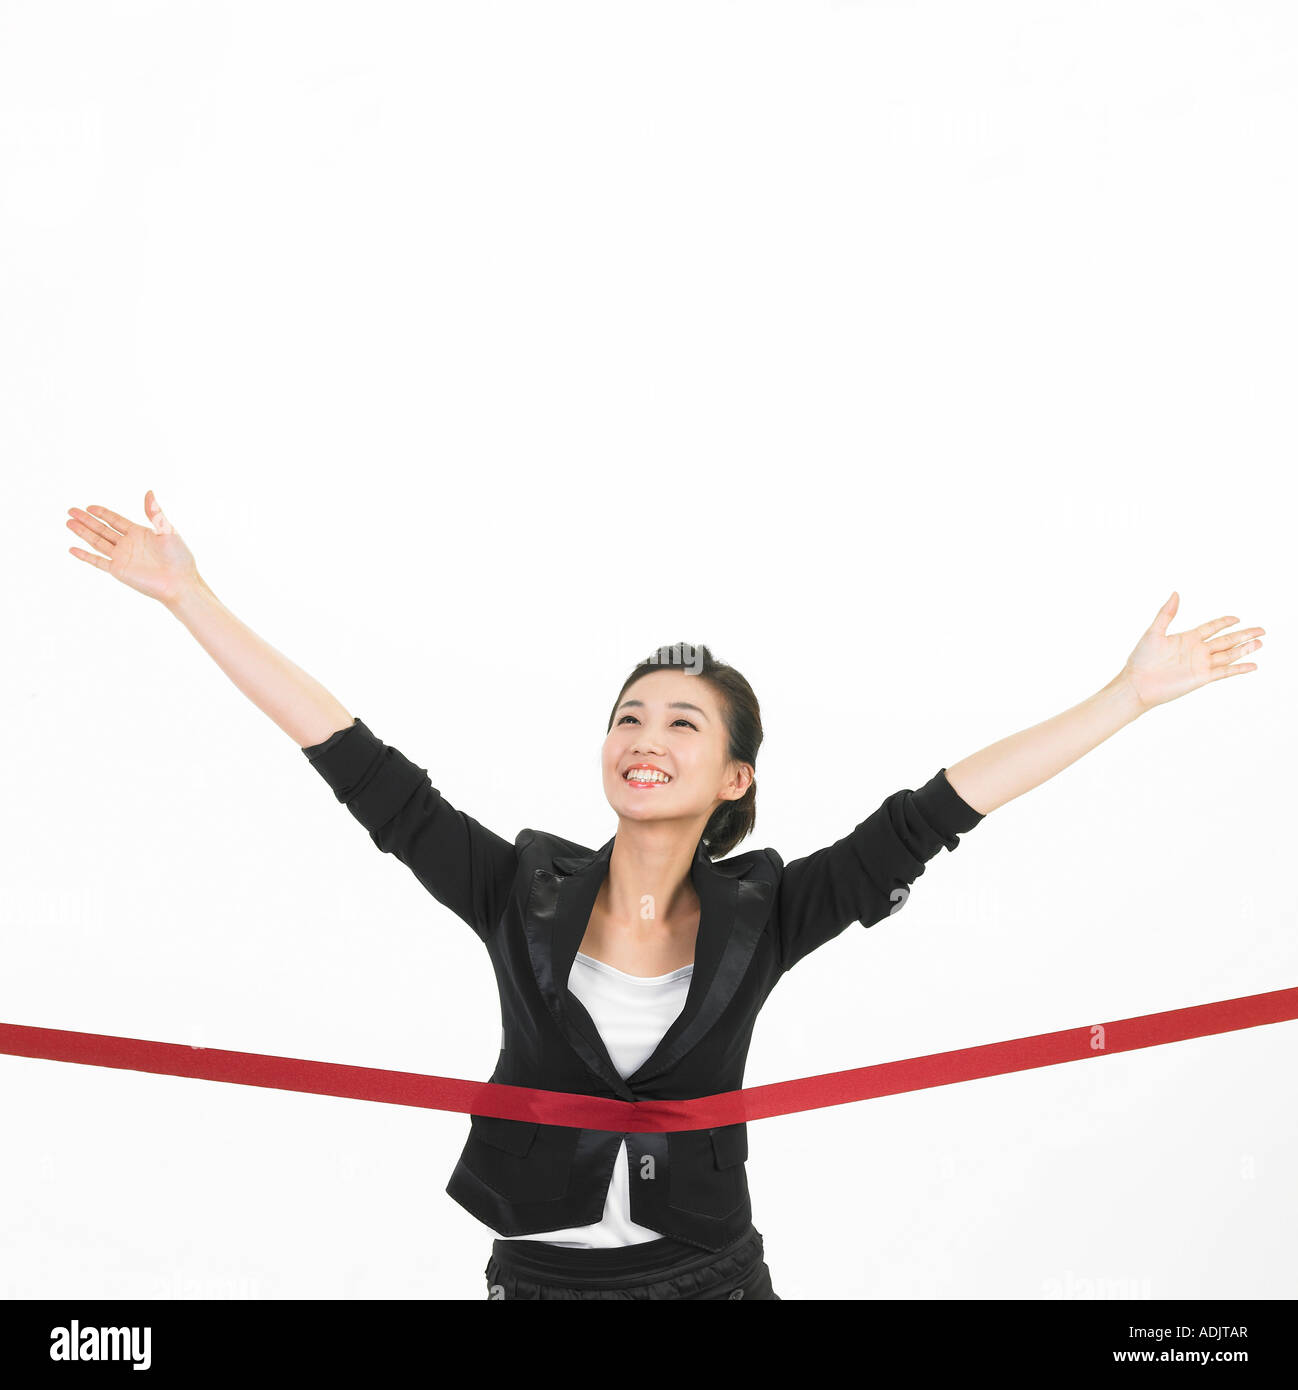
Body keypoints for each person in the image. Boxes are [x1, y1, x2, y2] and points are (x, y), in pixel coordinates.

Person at [66, 492, 1266, 1300]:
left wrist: (1125, 697)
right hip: (539, 1281)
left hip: (707, 1280)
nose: (644, 737)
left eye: (681, 722)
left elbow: (938, 808)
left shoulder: (770, 910)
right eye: (627, 716)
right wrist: (188, 597)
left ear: (733, 776)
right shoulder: (515, 888)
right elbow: (355, 760)